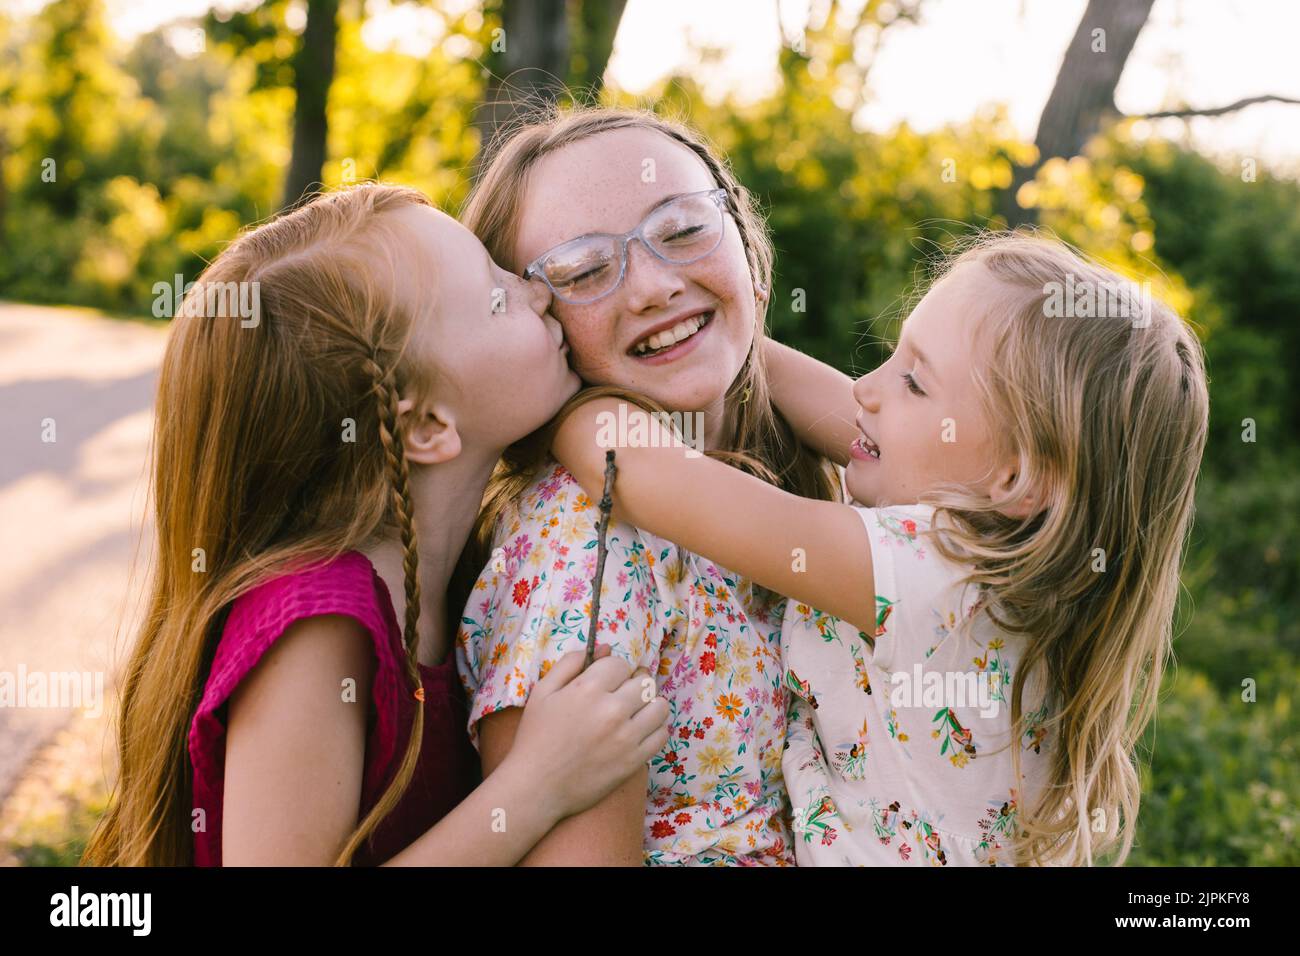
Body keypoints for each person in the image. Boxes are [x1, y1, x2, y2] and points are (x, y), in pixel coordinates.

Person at [553, 232, 1209, 866]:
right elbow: (812, 392)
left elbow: (635, 473)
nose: (866, 387)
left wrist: (560, 375)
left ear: (1018, 478)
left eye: (915, 382)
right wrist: (709, 325)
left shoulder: (939, 578)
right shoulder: (1018, 565)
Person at [82, 183, 670, 866]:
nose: (539, 289)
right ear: (425, 425)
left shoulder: (465, 580)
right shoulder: (317, 626)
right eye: (499, 294)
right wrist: (536, 787)